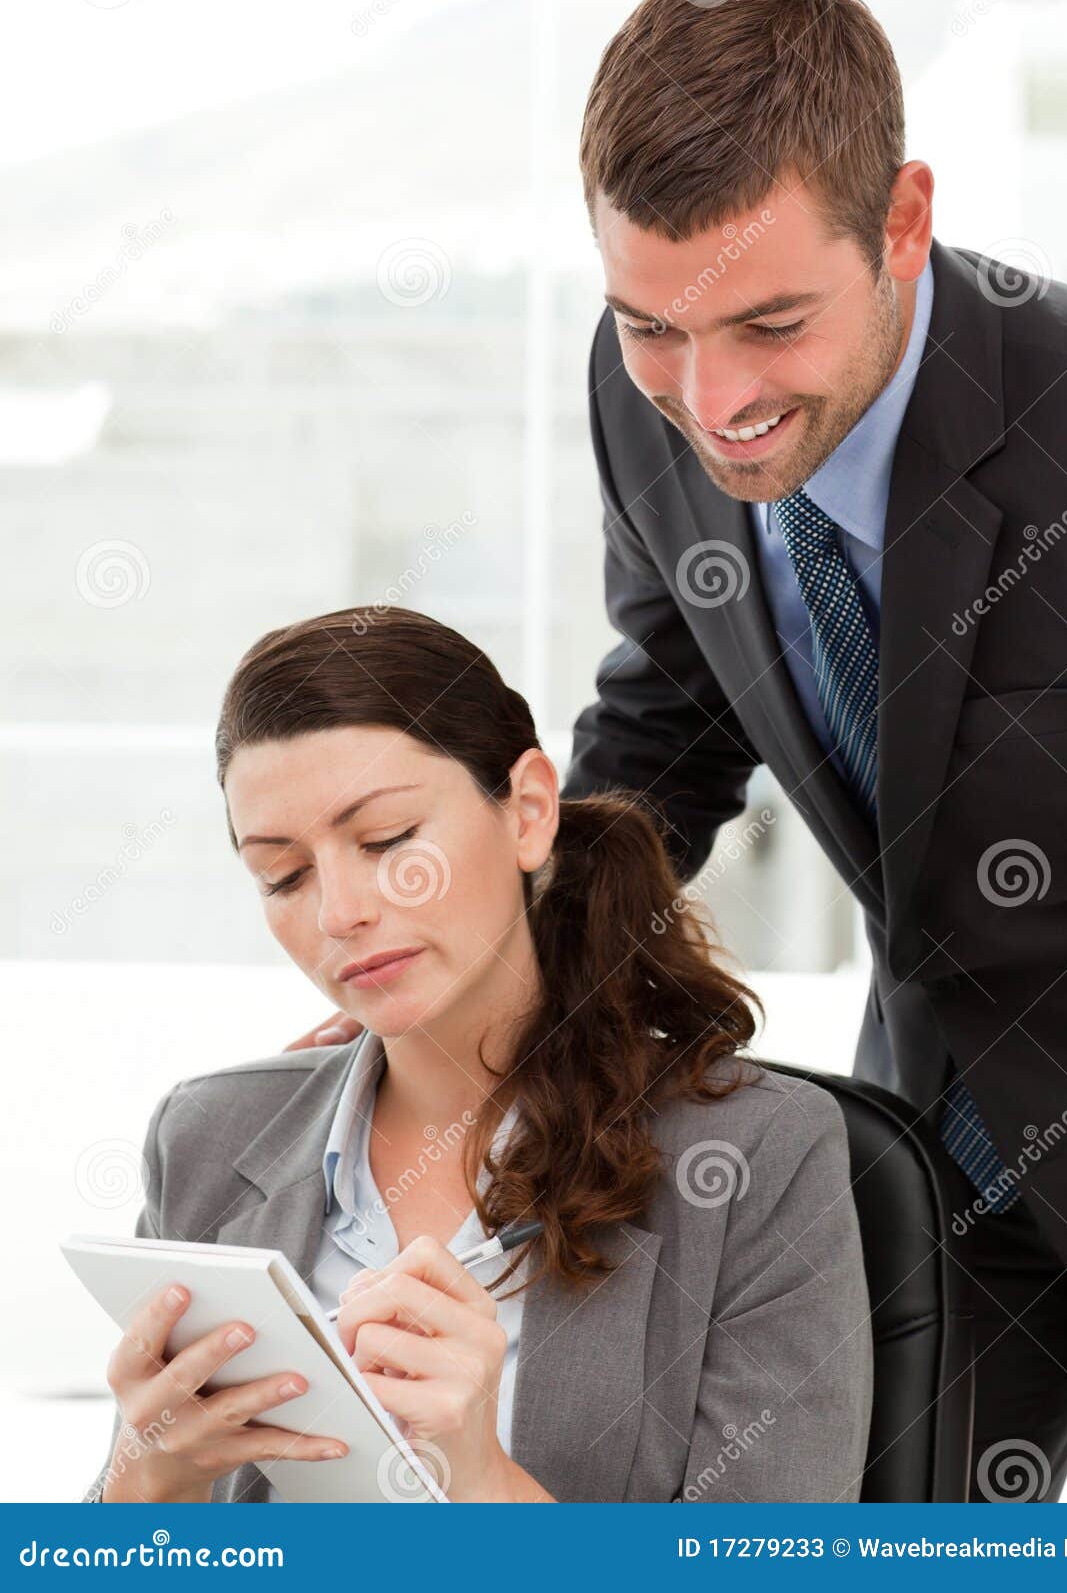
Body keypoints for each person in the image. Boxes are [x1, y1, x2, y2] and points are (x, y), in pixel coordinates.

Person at [294, 0, 1067, 1499]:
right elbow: (672, 717)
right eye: (654, 327)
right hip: (949, 1140)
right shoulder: (646, 396)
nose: (714, 396)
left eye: (771, 323)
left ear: (902, 222)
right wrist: (490, 950)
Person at [86, 604, 872, 1504]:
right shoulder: (206, 1138)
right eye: (285, 876)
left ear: (529, 811)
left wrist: (482, 1480)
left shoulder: (756, 1155)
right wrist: (145, 1487)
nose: (339, 912)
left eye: (388, 840)